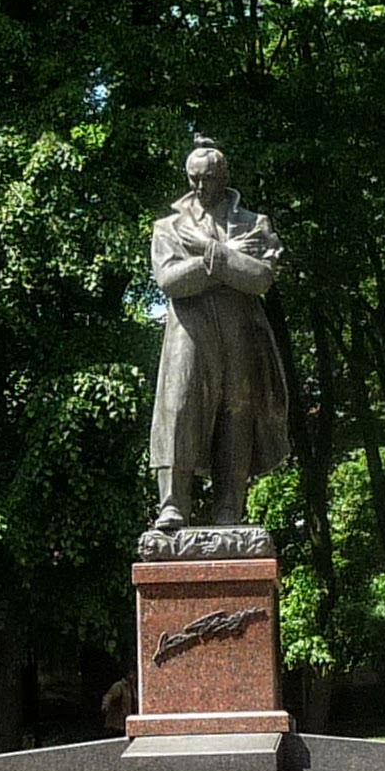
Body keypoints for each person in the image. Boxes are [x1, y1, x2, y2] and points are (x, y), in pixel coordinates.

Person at [148, 137, 291, 530]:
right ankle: (173, 505)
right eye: (192, 179)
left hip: (240, 331)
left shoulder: (253, 223)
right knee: (179, 408)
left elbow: (260, 278)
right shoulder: (169, 227)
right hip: (188, 333)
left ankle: (230, 507)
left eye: (207, 178)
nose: (199, 187)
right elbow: (170, 281)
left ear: (223, 176)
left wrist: (208, 251)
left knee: (237, 411)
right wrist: (228, 258)